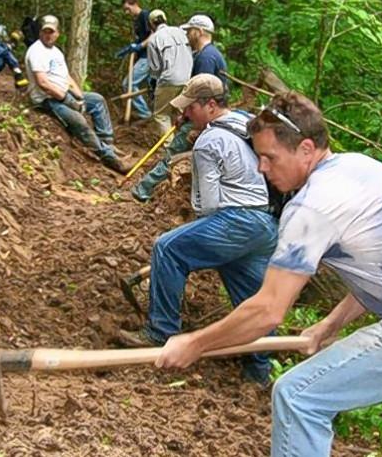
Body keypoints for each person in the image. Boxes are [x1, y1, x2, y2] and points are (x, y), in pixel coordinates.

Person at [154, 92, 382, 457]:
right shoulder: (360, 168)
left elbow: (268, 310)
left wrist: (195, 343)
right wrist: (331, 323)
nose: (261, 169)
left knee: (299, 398)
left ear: (305, 148)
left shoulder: (311, 205)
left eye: (269, 158)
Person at [119, 74, 277, 387]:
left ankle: (160, 331)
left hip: (235, 220)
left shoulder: (208, 142)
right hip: (265, 226)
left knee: (168, 248)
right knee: (251, 298)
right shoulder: (246, 123)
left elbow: (208, 206)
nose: (184, 114)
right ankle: (259, 370)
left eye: (190, 108)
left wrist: (200, 239)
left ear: (211, 105)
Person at [130, 14, 226, 202]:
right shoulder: (209, 54)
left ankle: (143, 190)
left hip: (201, 118)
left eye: (190, 30)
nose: (187, 34)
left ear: (199, 32)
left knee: (174, 153)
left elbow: (201, 95)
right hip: (206, 117)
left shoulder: (205, 58)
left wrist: (187, 118)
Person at [25, 15, 128, 174]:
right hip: (47, 99)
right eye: (45, 31)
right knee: (78, 120)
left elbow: (66, 77)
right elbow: (43, 83)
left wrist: (79, 96)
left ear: (58, 33)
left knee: (97, 100)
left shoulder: (56, 52)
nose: (48, 35)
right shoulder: (36, 51)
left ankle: (107, 142)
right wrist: (67, 100)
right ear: (40, 32)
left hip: (63, 93)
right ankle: (109, 158)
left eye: (52, 32)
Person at [144, 9, 193, 135]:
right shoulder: (181, 32)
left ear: (151, 25)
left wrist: (154, 87)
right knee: (182, 113)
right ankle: (185, 143)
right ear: (165, 20)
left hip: (168, 80)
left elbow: (155, 70)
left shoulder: (154, 39)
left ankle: (169, 149)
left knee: (161, 115)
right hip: (188, 78)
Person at [114, 0, 154, 120]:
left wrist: (139, 46)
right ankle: (153, 116)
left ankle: (145, 114)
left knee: (128, 84)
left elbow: (154, 34)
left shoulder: (145, 15)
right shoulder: (136, 20)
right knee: (151, 87)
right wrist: (131, 47)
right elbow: (140, 38)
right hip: (143, 56)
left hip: (149, 57)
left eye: (128, 8)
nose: (127, 12)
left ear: (135, 4)